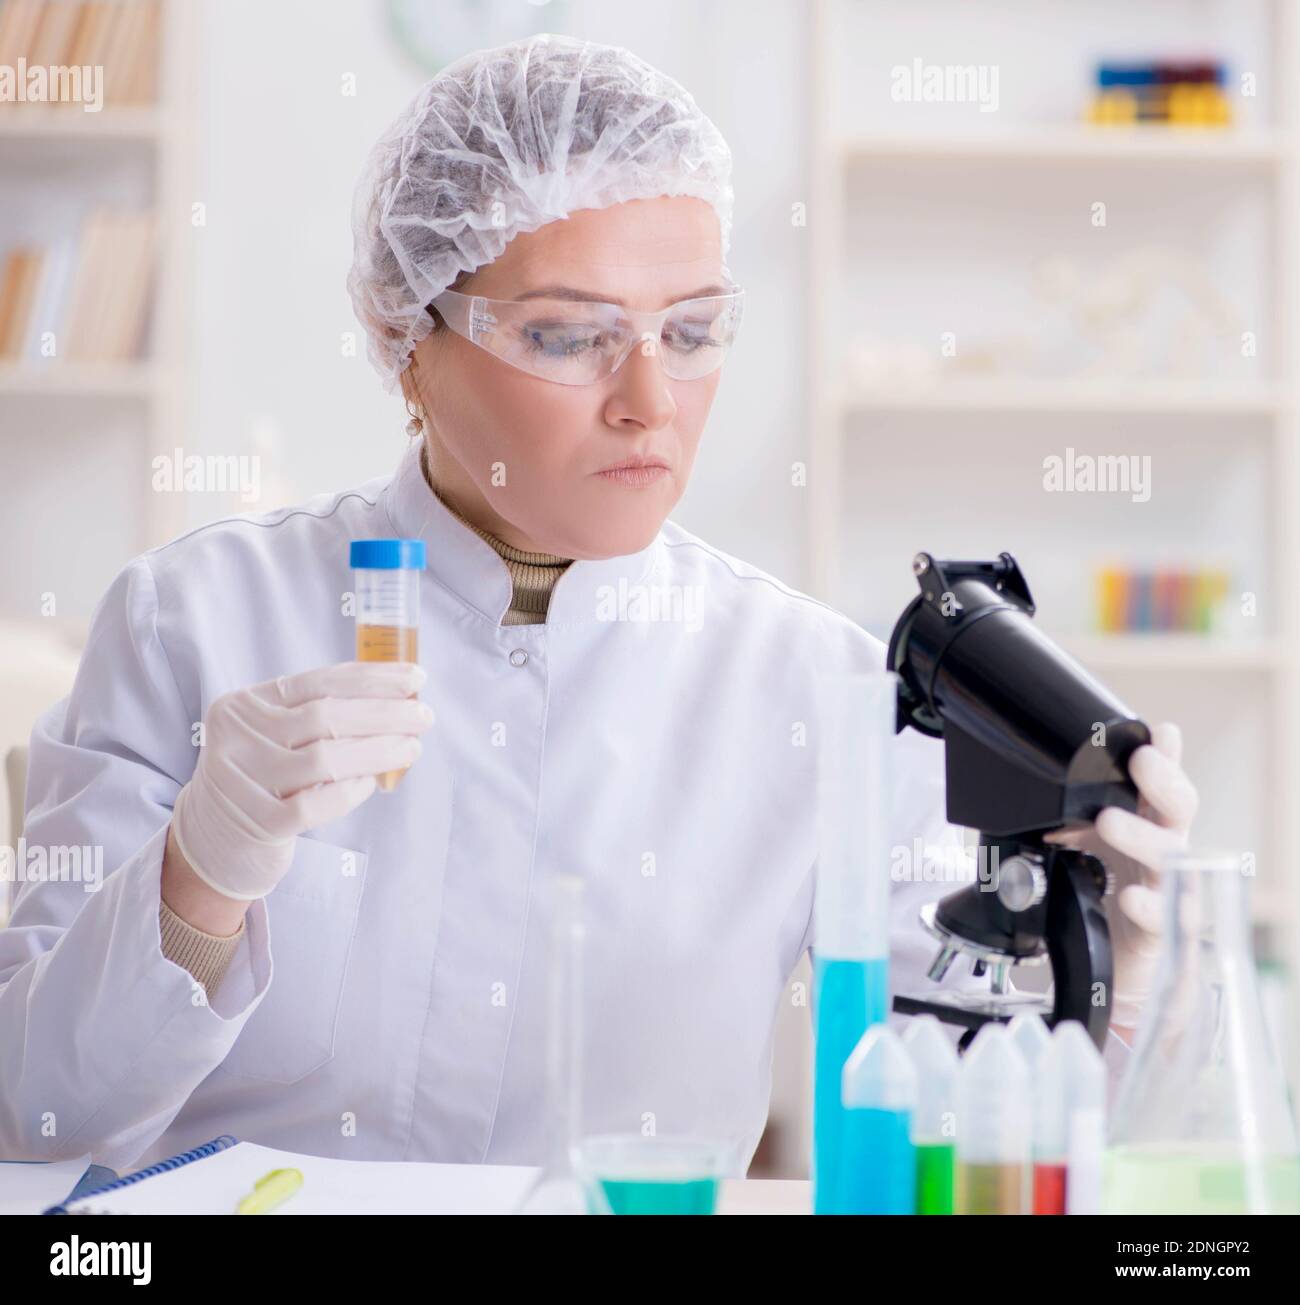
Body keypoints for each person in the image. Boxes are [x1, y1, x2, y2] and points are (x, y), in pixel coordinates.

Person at [0, 34, 1197, 1174]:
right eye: (568, 334)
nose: (648, 400)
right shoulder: (195, 618)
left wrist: (1116, 967)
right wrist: (196, 883)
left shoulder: (811, 689)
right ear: (402, 335)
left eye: (690, 331)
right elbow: (34, 1114)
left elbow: (977, 1126)